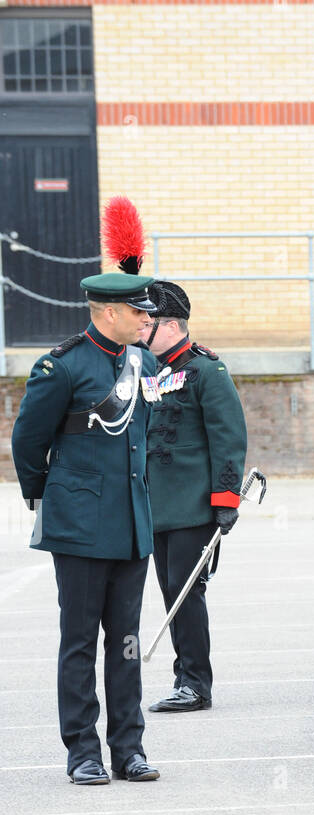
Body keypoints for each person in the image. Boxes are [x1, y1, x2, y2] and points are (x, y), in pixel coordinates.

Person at [11, 270, 162, 785]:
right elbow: (28, 441)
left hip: (132, 524)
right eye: (140, 312)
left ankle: (129, 747)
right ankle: (83, 751)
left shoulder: (145, 361)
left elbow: (148, 434)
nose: (148, 319)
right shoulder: (62, 366)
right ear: (108, 313)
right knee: (78, 641)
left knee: (126, 641)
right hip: (78, 526)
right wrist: (48, 495)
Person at [141, 280, 247, 712]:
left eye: (147, 323)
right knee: (171, 592)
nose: (141, 330)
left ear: (169, 325)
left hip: (192, 507)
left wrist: (225, 501)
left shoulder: (207, 370)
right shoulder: (153, 369)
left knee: (186, 593)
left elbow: (229, 438)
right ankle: (184, 676)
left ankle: (195, 685)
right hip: (156, 507)